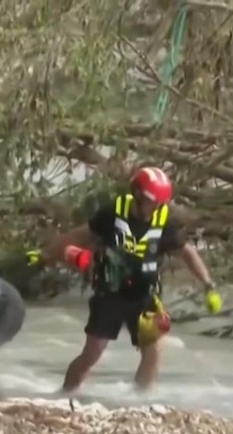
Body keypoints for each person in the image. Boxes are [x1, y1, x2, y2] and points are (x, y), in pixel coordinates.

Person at [34, 166, 222, 393]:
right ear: (138, 195)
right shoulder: (113, 213)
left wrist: (208, 286)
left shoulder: (163, 222)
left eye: (160, 204)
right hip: (110, 294)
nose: (156, 208)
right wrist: (45, 254)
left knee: (152, 351)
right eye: (153, 202)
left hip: (145, 296)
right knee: (93, 352)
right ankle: (65, 395)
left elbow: (188, 253)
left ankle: (140, 400)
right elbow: (78, 236)